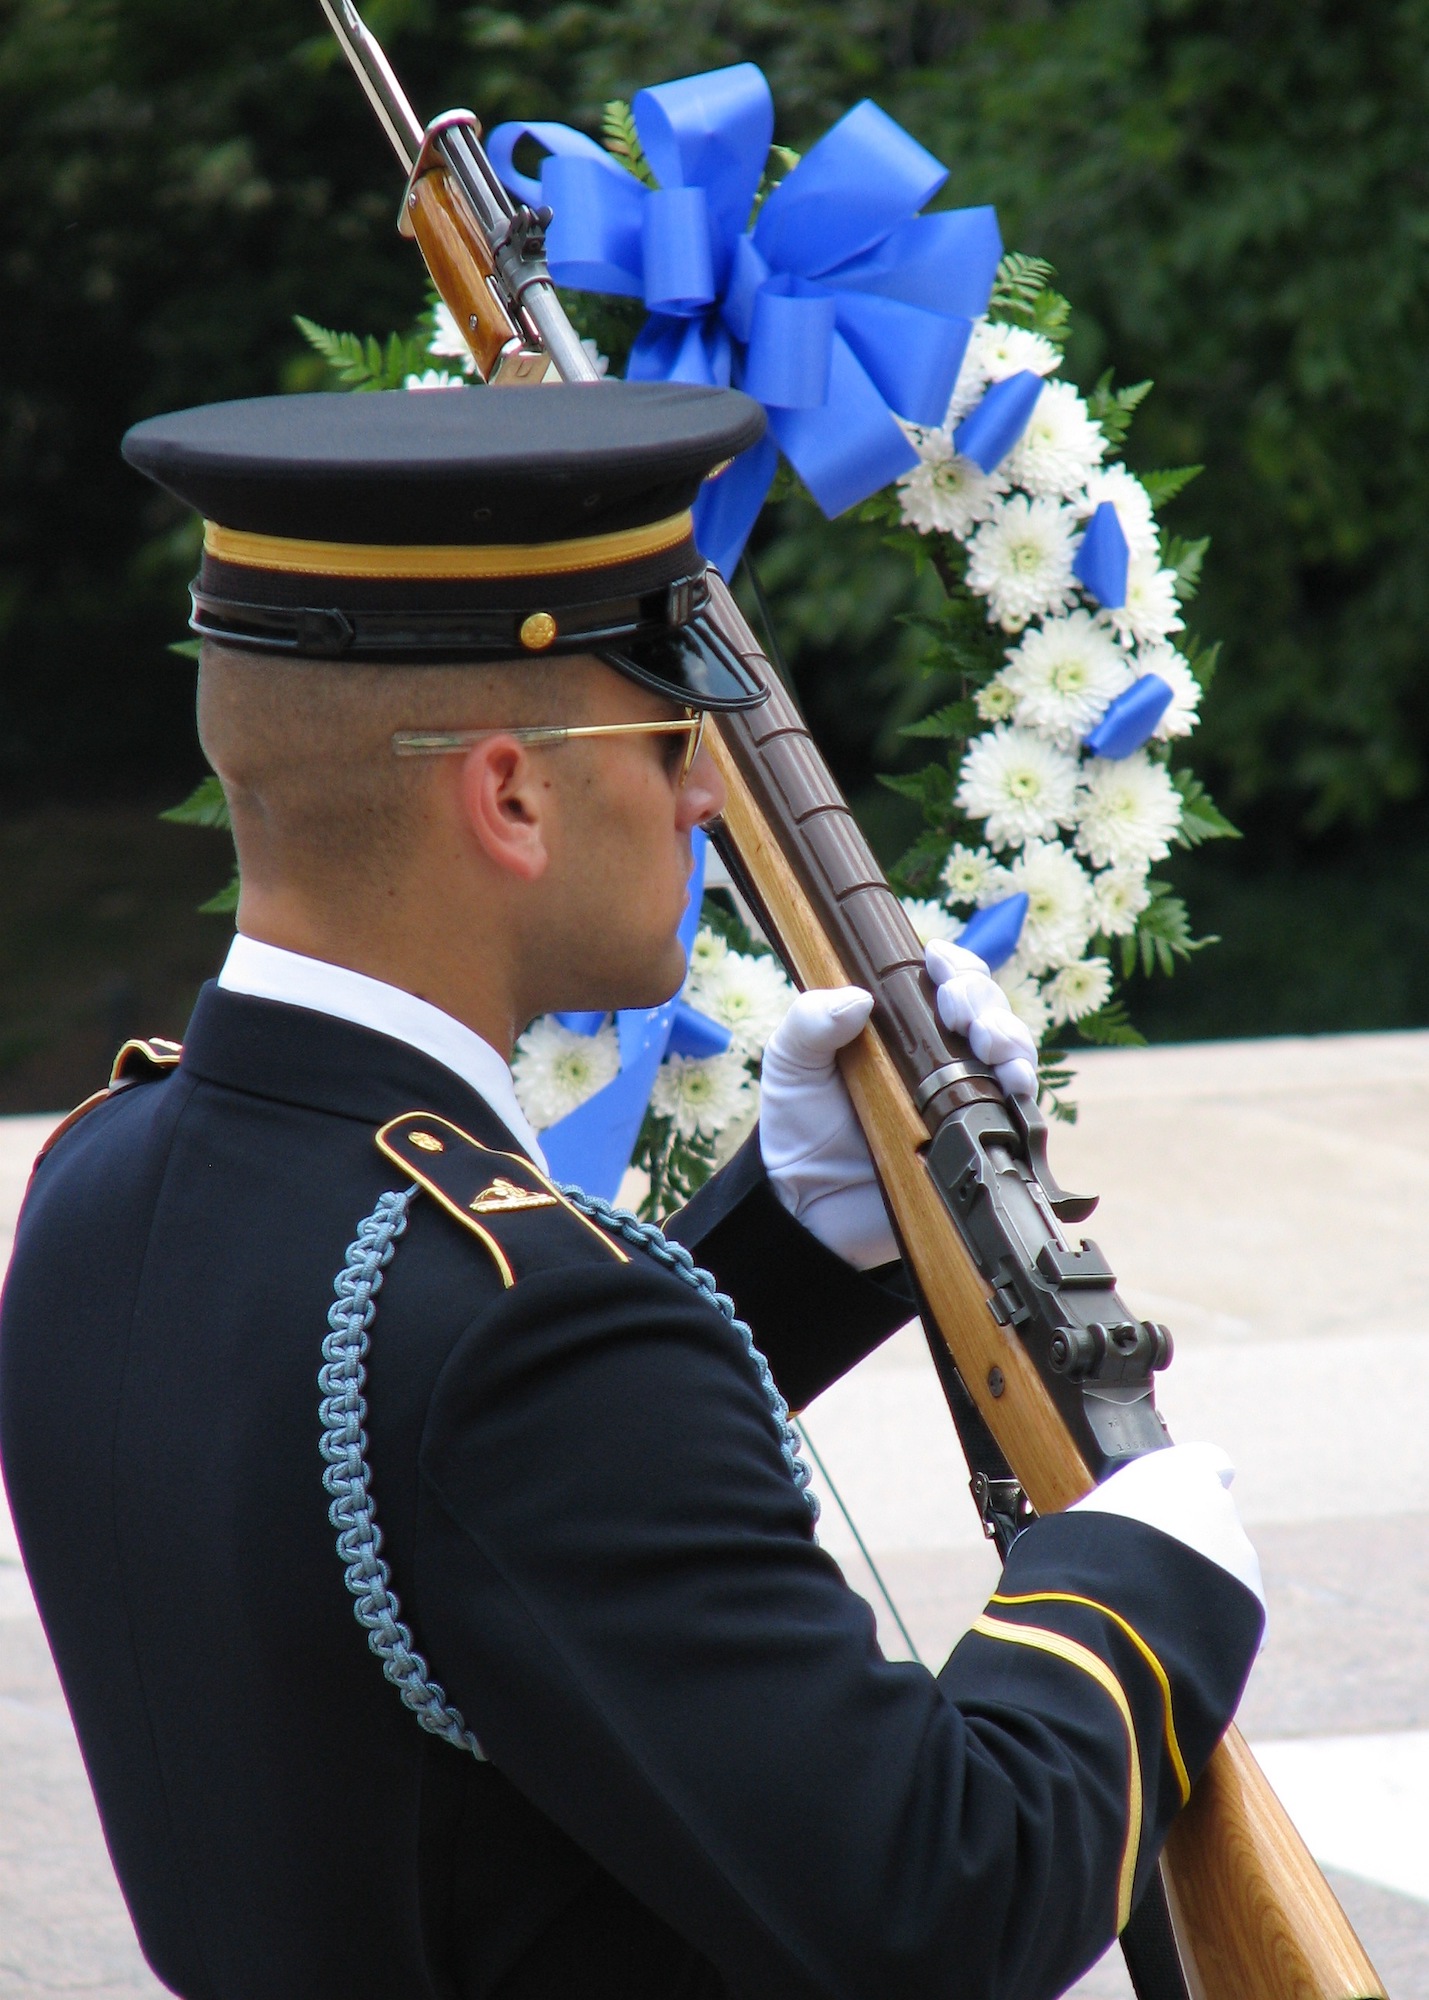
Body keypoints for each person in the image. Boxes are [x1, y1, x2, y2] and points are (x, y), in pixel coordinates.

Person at [0, 380, 1264, 2000]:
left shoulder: (106, 1174)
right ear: (511, 796)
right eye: (673, 733)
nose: (706, 796)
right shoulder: (514, 1332)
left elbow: (453, 1515)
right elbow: (933, 1898)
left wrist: (798, 1239)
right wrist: (1138, 1582)